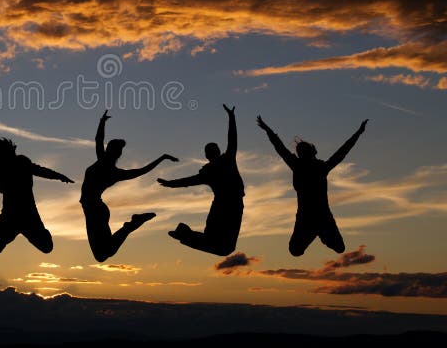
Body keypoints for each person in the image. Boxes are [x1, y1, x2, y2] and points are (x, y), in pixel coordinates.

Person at [257, 115, 368, 256]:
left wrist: (358, 133)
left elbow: (342, 152)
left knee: (340, 248)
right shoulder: (299, 165)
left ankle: (320, 233)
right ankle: (316, 232)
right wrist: (267, 130)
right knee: (295, 251)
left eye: (302, 150)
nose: (300, 153)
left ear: (310, 152)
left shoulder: (319, 167)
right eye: (299, 151)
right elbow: (279, 147)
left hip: (322, 216)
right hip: (306, 217)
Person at [82, 110, 177, 262]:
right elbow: (142, 171)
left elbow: (98, 140)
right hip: (96, 209)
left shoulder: (104, 163)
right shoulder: (113, 171)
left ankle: (132, 224)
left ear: (109, 150)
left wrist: (102, 121)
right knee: (105, 253)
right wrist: (163, 157)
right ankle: (133, 223)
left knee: (102, 254)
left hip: (94, 209)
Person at [0, 138, 74, 255]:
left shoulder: (21, 162)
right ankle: (19, 231)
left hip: (28, 214)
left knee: (47, 247)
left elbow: (40, 170)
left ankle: (32, 232)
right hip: (9, 216)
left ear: (4, 150)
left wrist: (59, 176)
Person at [158, 105, 244, 256]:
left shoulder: (224, 161)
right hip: (228, 205)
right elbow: (232, 139)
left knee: (221, 246)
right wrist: (231, 118)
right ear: (213, 154)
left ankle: (183, 233)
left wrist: (170, 184)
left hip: (229, 206)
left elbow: (232, 140)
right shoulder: (218, 166)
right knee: (223, 247)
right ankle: (183, 233)